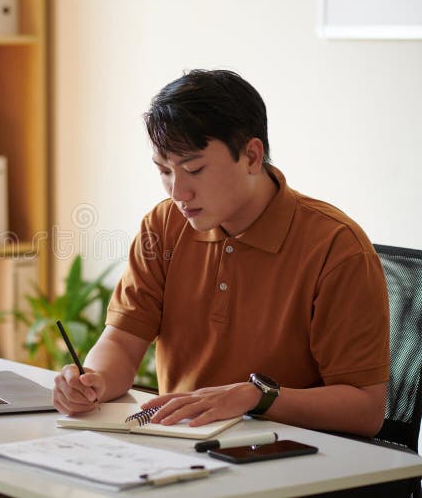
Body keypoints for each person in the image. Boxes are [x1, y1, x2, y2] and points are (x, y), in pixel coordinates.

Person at [52, 69, 389, 437]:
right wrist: (94, 381)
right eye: (164, 171)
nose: (177, 192)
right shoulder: (163, 227)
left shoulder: (336, 248)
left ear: (251, 156)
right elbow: (121, 341)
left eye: (194, 169)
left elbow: (365, 410)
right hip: (181, 448)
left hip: (288, 458)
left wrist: (255, 397)